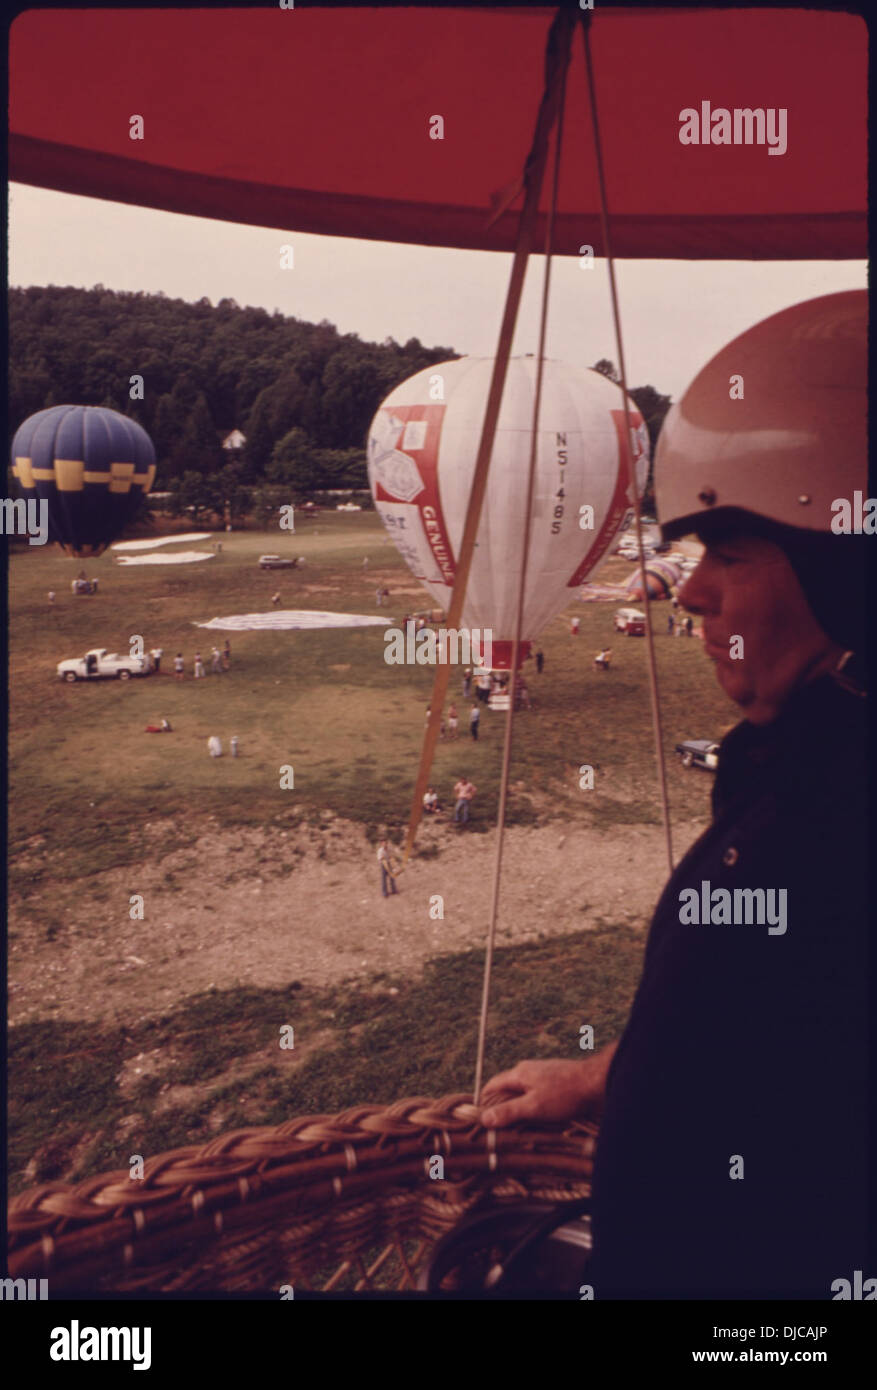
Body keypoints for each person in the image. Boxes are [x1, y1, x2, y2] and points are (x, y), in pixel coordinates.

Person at [480, 292, 869, 1300]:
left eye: (731, 552)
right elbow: (758, 1037)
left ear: (849, 577)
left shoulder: (840, 818)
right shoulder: (780, 771)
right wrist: (602, 1076)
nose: (688, 592)